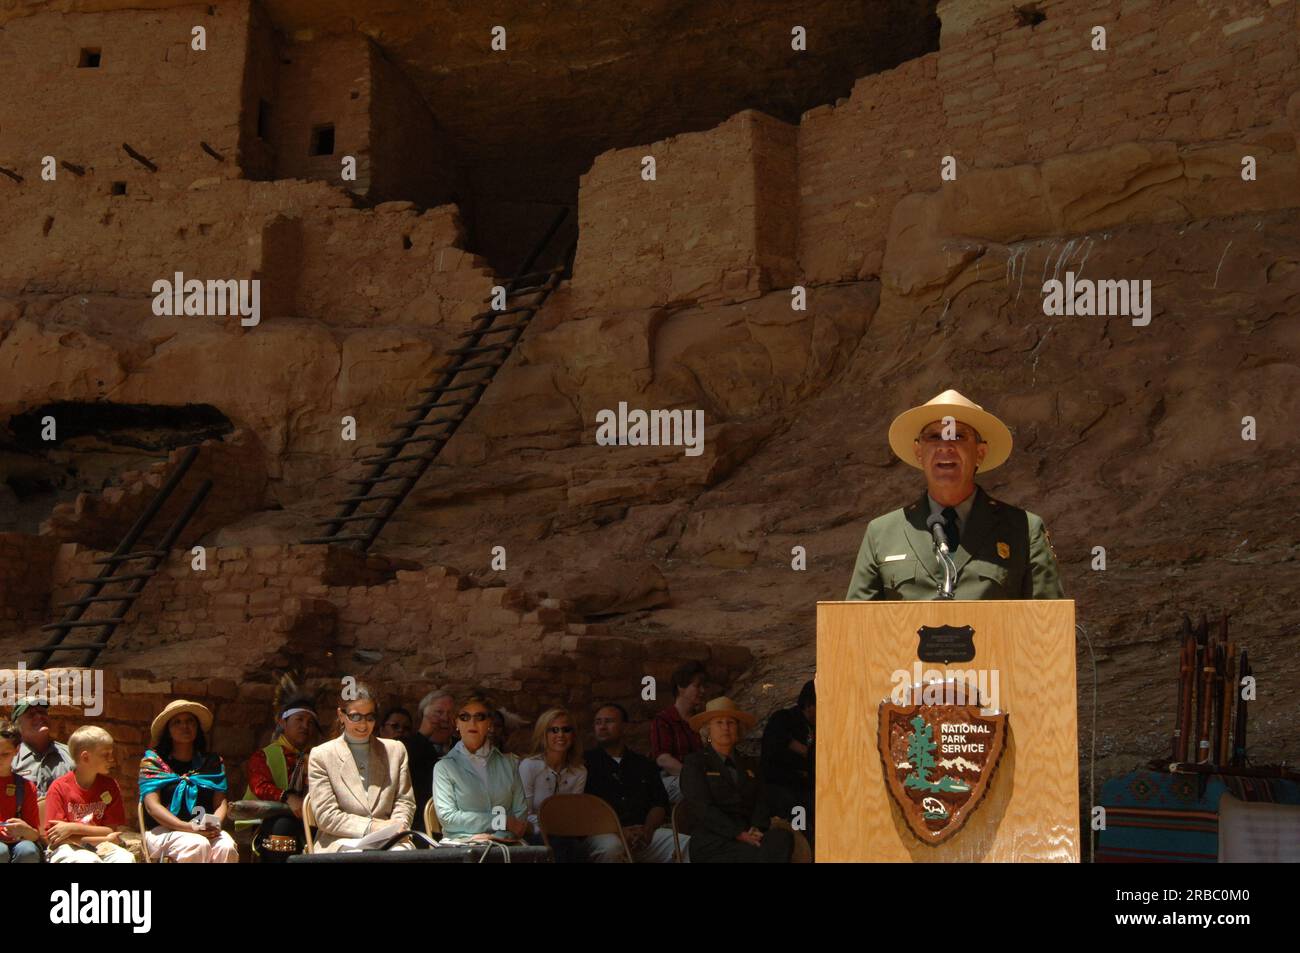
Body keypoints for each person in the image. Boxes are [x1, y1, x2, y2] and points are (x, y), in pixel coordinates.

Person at [845, 389, 1065, 600]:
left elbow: (1048, 622)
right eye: (934, 437)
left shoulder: (1023, 530)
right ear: (919, 452)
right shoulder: (882, 533)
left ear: (980, 453)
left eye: (958, 436)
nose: (945, 447)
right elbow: (854, 625)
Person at [681, 697, 792, 863]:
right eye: (719, 722)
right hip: (714, 839)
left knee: (783, 838)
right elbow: (702, 808)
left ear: (738, 729)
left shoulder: (748, 763)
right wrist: (738, 834)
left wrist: (756, 827)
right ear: (707, 730)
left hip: (750, 833)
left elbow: (762, 800)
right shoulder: (695, 762)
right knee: (756, 855)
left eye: (731, 723)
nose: (725, 727)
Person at [306, 684, 415, 853]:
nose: (363, 725)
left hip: (389, 838)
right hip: (340, 840)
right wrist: (373, 827)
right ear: (341, 715)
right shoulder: (321, 755)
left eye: (370, 717)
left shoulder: (395, 750)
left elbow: (404, 801)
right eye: (355, 717)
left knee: (402, 854)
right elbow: (326, 816)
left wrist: (397, 827)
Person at [139, 700, 238, 863]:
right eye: (177, 722)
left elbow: (220, 803)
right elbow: (152, 806)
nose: (184, 726)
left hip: (204, 829)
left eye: (190, 721)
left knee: (225, 846)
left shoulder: (212, 762)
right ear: (168, 731)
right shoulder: (153, 761)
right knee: (196, 844)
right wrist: (188, 828)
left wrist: (214, 825)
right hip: (163, 831)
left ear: (197, 727)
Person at [584, 703, 681, 863]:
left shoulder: (643, 764)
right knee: (612, 848)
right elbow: (583, 810)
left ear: (625, 727)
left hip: (643, 835)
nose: (602, 726)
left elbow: (659, 804)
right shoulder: (584, 764)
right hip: (603, 834)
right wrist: (618, 831)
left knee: (685, 843)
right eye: (598, 722)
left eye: (608, 721)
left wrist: (647, 831)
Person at [432, 693, 528, 843]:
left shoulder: (509, 763)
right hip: (462, 845)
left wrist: (495, 836)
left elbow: (520, 818)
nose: (472, 722)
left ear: (489, 723)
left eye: (480, 717)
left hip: (506, 844)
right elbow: (448, 818)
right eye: (465, 717)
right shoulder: (444, 767)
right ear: (456, 722)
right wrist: (500, 821)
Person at [240, 678, 318, 862]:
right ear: (283, 723)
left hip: (310, 818)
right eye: (299, 719)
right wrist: (287, 797)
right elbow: (260, 785)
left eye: (310, 722)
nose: (305, 726)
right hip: (271, 821)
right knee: (282, 828)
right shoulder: (263, 756)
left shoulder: (317, 756)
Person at [44, 726, 134, 863]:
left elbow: (110, 830)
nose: (112, 759)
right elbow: (57, 838)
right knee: (88, 860)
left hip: (101, 845)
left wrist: (72, 828)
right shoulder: (59, 788)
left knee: (125, 858)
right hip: (66, 848)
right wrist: (104, 837)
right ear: (85, 757)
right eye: (106, 754)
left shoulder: (110, 786)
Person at [518, 708, 585, 858]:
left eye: (566, 730)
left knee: (573, 845)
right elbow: (523, 813)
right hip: (533, 832)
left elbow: (573, 813)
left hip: (565, 833)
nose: (560, 735)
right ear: (543, 735)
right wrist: (550, 824)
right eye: (553, 730)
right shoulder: (530, 766)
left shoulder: (579, 771)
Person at [760, 681, 815, 841]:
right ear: (809, 704)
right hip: (780, 788)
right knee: (800, 818)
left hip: (806, 788)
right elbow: (775, 749)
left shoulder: (814, 727)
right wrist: (807, 753)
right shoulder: (783, 719)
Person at [10, 698, 73, 826]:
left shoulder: (70, 755)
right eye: (31, 714)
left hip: (64, 833)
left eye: (42, 712)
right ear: (17, 725)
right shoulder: (9, 758)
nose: (39, 716)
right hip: (20, 836)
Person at [650, 661, 706, 802]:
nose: (703, 691)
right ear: (681, 687)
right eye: (698, 686)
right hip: (675, 777)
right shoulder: (664, 720)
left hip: (703, 776)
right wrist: (694, 775)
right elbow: (663, 760)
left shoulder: (701, 720)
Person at [0, 719, 42, 863]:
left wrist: (24, 830)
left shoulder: (25, 787)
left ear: (17, 750)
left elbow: (35, 835)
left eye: (4, 754)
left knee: (28, 851)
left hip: (18, 843)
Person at [416, 690, 457, 757]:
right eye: (439, 712)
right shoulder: (409, 747)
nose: (445, 718)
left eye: (451, 713)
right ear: (423, 716)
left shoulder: (464, 748)